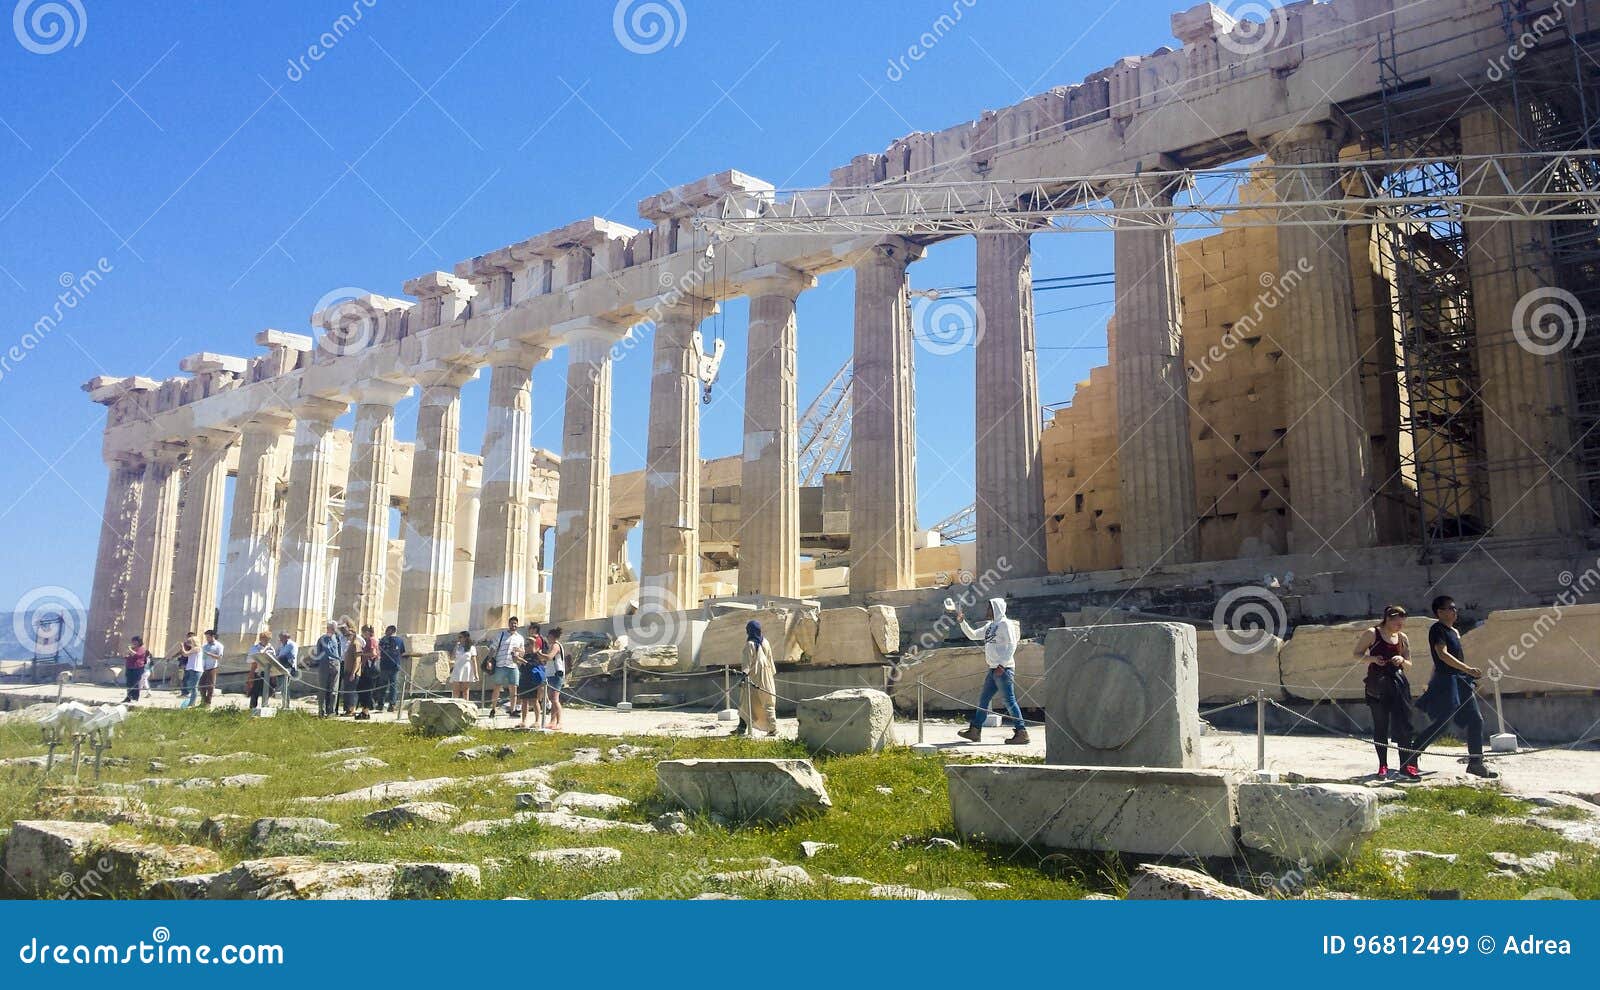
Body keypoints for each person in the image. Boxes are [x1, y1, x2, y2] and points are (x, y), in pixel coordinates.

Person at [1414, 596, 1499, 779]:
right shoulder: (1437, 629)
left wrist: (1466, 672)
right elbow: (1442, 655)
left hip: (1461, 681)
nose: (1455, 611)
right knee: (1442, 724)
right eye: (1450, 608)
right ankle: (1412, 754)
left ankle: (1475, 763)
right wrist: (1467, 669)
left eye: (1455, 608)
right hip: (1447, 682)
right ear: (1440, 612)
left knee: (1476, 720)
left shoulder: (1454, 631)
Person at [1356, 604, 1419, 781]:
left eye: (1402, 623)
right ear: (1388, 619)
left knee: (1404, 724)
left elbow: (1409, 663)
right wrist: (1373, 659)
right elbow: (1357, 654)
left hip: (1398, 684)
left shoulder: (1402, 637)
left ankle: (1405, 766)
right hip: (1378, 684)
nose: (1400, 626)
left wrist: (1401, 660)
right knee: (1381, 725)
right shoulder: (1372, 633)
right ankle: (1382, 765)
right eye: (1397, 623)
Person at [955, 598, 1030, 745]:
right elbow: (973, 635)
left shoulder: (1005, 624)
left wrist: (1002, 665)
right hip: (993, 669)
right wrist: (962, 622)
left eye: (990, 608)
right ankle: (975, 731)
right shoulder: (990, 626)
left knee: (1009, 700)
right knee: (983, 700)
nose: (987, 611)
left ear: (997, 609)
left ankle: (1022, 732)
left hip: (1003, 669)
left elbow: (1012, 644)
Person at [734, 620, 778, 737]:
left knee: (746, 701)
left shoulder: (750, 644)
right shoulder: (766, 642)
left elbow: (747, 664)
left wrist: (743, 677)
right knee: (768, 701)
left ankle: (742, 728)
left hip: (754, 677)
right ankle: (771, 728)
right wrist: (770, 675)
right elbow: (770, 661)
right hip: (767, 675)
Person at [484, 616, 524, 718]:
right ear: (509, 624)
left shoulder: (520, 638)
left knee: (514, 688)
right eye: (512, 623)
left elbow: (523, 652)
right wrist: (489, 661)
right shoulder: (501, 635)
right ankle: (493, 709)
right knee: (497, 687)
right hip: (500, 664)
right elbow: (493, 648)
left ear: (517, 625)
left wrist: (519, 651)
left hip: (513, 665)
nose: (514, 625)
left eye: (515, 623)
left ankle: (512, 709)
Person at [312, 621, 346, 717]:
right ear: (328, 628)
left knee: (334, 689)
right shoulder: (321, 639)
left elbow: (340, 652)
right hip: (324, 664)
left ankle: (331, 711)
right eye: (333, 628)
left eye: (335, 628)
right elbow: (318, 653)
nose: (335, 630)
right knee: (322, 688)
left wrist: (338, 660)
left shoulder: (337, 638)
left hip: (335, 664)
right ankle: (321, 711)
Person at [516, 633, 547, 730]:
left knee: (534, 700)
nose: (526, 647)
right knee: (524, 701)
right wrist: (517, 660)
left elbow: (533, 665)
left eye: (528, 645)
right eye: (525, 645)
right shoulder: (525, 655)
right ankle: (523, 721)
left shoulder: (536, 655)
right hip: (524, 679)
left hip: (533, 680)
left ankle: (537, 720)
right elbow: (522, 667)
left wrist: (522, 661)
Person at [378, 625, 406, 712]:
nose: (385, 632)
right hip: (392, 665)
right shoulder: (399, 640)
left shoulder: (384, 640)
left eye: (387, 630)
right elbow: (402, 652)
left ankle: (382, 704)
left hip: (388, 666)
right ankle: (390, 704)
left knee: (385, 686)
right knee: (392, 686)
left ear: (391, 631)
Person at [543, 627, 566, 731]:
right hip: (551, 674)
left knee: (555, 699)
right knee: (552, 699)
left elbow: (549, 657)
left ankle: (559, 722)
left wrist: (539, 653)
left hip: (557, 674)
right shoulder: (551, 646)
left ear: (552, 636)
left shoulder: (556, 646)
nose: (547, 638)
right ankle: (552, 721)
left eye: (548, 636)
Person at [246, 631, 275, 710]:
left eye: (268, 639)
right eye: (265, 639)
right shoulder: (255, 648)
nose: (266, 641)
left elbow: (274, 660)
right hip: (257, 671)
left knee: (267, 690)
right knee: (254, 691)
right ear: (261, 639)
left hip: (268, 672)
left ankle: (265, 705)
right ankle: (252, 707)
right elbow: (250, 660)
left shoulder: (271, 648)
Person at [449, 631, 478, 700]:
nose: (458, 639)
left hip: (466, 668)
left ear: (465, 638)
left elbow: (474, 661)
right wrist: (455, 647)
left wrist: (476, 673)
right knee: (456, 689)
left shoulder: (472, 648)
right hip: (457, 668)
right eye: (458, 637)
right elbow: (452, 658)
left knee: (465, 689)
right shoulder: (457, 647)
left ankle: (466, 703)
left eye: (460, 637)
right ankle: (454, 703)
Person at [275, 631, 299, 709]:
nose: (280, 640)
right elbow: (278, 653)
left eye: (281, 638)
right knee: (283, 687)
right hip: (282, 666)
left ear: (286, 638)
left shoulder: (291, 645)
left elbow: (282, 655)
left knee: (285, 686)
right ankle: (284, 704)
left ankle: (286, 705)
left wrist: (277, 657)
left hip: (289, 667)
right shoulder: (283, 645)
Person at [178, 634, 202, 708]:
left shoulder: (197, 648)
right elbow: (184, 654)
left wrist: (182, 647)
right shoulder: (192, 648)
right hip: (191, 668)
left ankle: (192, 703)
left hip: (196, 669)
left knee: (194, 687)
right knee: (189, 684)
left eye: (190, 642)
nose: (188, 643)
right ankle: (190, 700)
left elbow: (185, 654)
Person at [122, 636, 149, 703]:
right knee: (129, 683)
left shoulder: (142, 649)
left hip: (137, 668)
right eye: (133, 641)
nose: (133, 642)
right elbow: (127, 656)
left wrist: (130, 650)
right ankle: (128, 697)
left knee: (135, 683)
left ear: (139, 642)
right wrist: (126, 653)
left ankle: (135, 698)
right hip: (129, 667)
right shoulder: (132, 648)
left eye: (135, 641)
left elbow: (137, 655)